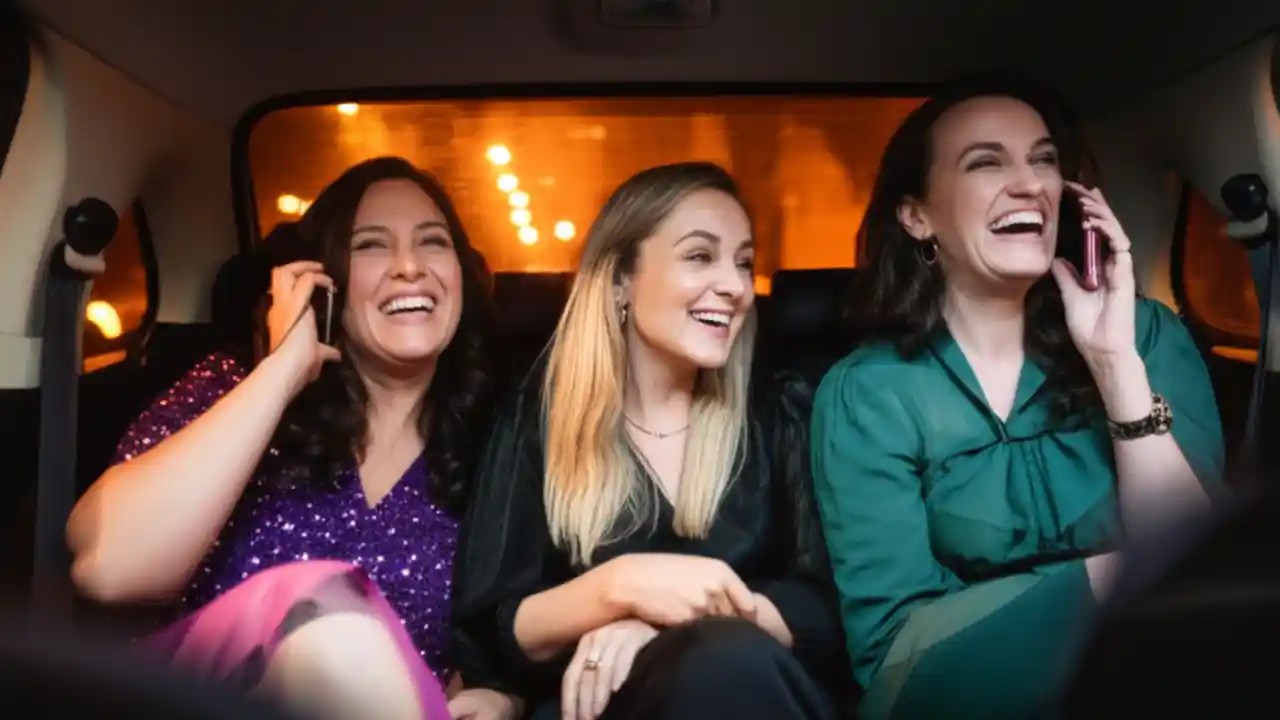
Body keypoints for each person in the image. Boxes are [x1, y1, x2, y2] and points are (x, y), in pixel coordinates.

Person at [809, 72, 1227, 720]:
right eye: (986, 162)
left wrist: (1114, 366)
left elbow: (1203, 578)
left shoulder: (1144, 336)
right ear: (917, 216)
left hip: (1153, 678)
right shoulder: (866, 392)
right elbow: (894, 654)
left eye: (1044, 160)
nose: (1030, 183)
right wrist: (1109, 582)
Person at [65, 157, 518, 720]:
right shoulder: (230, 385)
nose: (409, 266)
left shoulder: (501, 435)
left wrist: (506, 697)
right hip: (200, 704)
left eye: (432, 242)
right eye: (370, 245)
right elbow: (110, 569)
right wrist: (282, 372)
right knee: (321, 601)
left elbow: (515, 628)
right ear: (321, 280)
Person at [451, 161, 846, 720]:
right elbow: (492, 632)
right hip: (600, 707)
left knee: (725, 659)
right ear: (621, 280)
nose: (735, 287)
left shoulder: (778, 411)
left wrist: (669, 628)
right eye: (700, 256)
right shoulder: (537, 417)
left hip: (752, 689)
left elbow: (823, 612)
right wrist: (620, 588)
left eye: (743, 262)